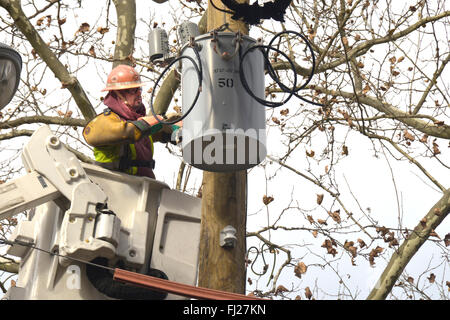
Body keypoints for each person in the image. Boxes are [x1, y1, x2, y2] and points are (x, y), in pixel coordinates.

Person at [83, 64, 180, 179]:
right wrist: (147, 123)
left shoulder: (136, 123)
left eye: (139, 89)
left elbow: (150, 133)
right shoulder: (104, 121)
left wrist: (173, 130)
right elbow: (126, 132)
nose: (139, 93)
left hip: (142, 186)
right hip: (115, 187)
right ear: (118, 94)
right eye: (133, 90)